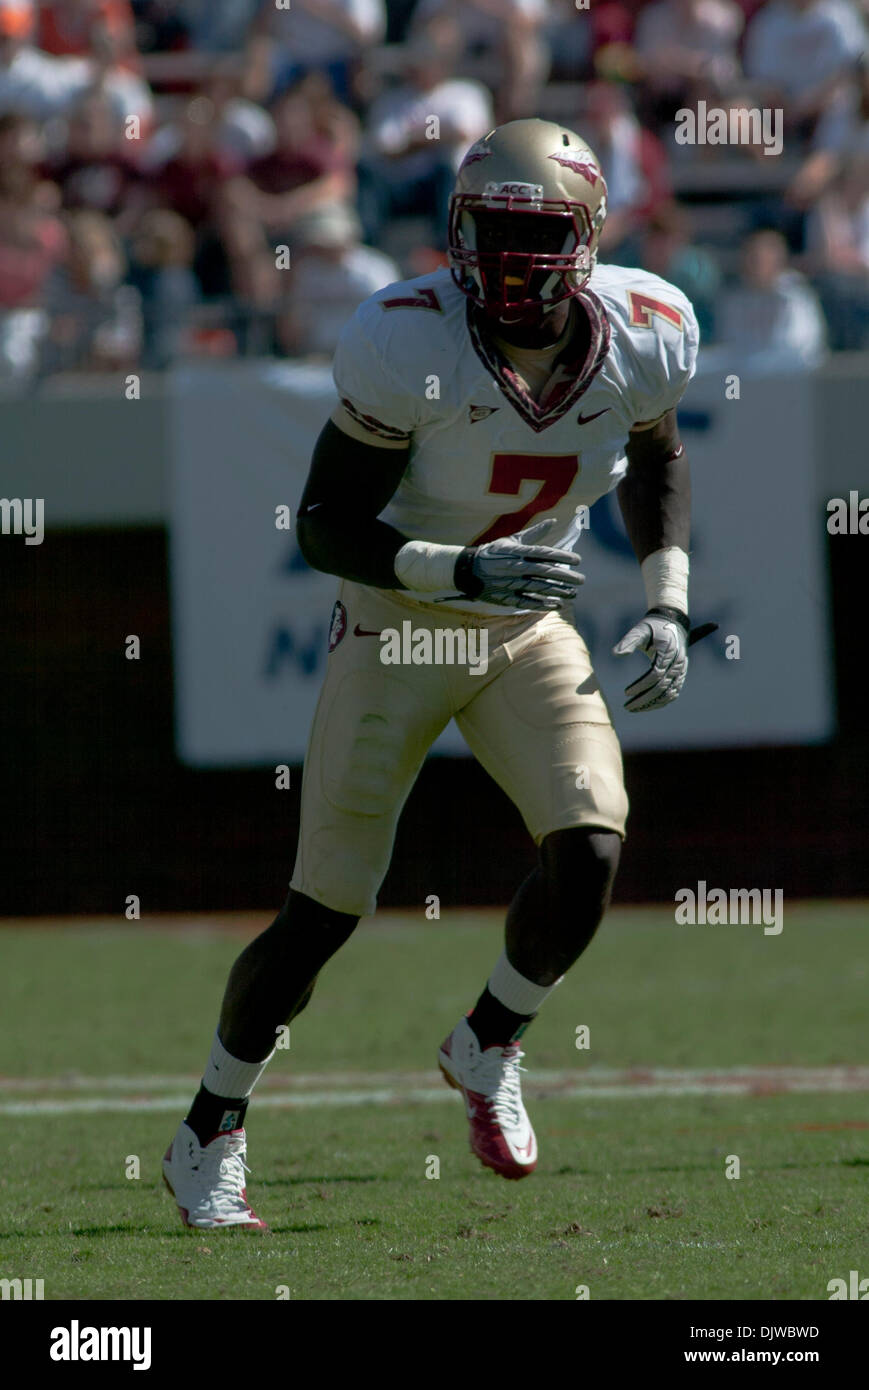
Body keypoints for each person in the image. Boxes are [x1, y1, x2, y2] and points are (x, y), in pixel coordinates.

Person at [162, 117, 710, 1230]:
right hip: (395, 623)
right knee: (326, 905)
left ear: (587, 238)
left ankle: (487, 1039)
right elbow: (323, 523)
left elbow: (655, 457)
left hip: (523, 623)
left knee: (590, 842)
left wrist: (665, 600)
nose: (509, 261)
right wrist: (452, 565)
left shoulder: (650, 330)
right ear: (456, 234)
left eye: (535, 233)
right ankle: (208, 1128)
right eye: (491, 232)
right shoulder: (404, 338)